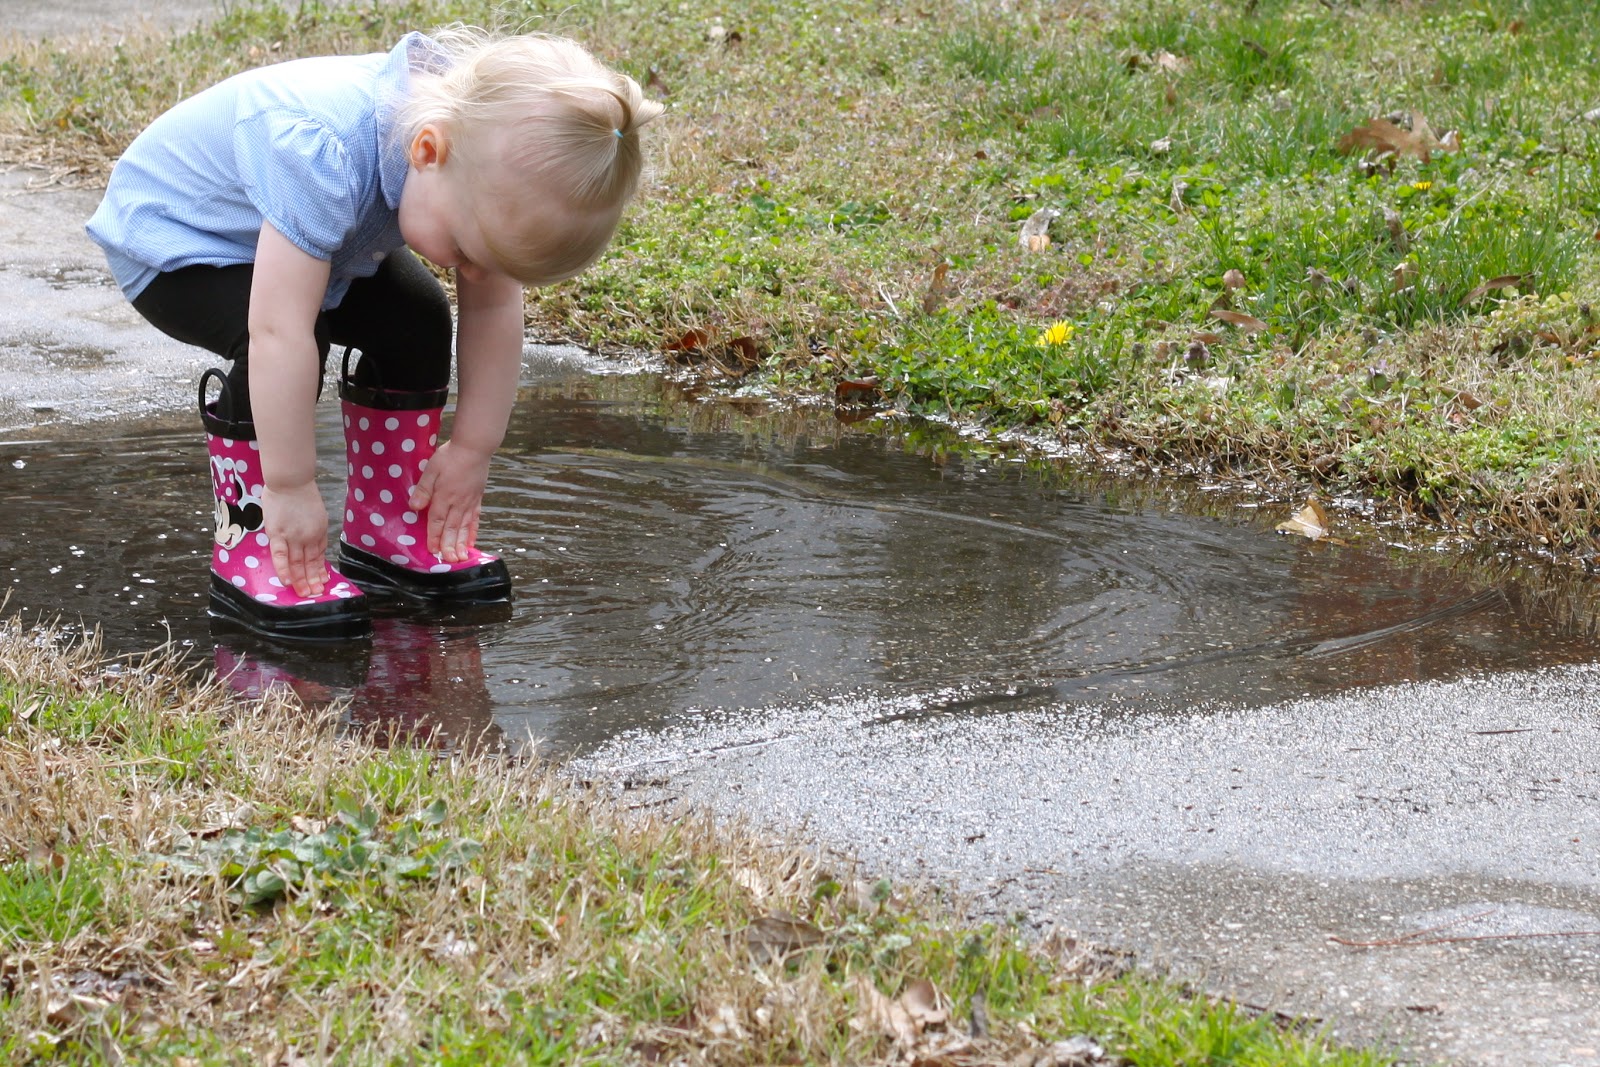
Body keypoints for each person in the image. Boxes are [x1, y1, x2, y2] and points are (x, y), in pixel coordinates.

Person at [86, 27, 662, 641]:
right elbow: (278, 330)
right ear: (427, 151)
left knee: (418, 319)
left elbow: (494, 309)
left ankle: (387, 529)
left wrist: (473, 449)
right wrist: (291, 486)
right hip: (179, 241)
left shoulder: (473, 152)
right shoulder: (321, 152)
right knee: (300, 336)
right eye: (466, 251)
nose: (472, 273)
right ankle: (255, 540)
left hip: (307, 241)